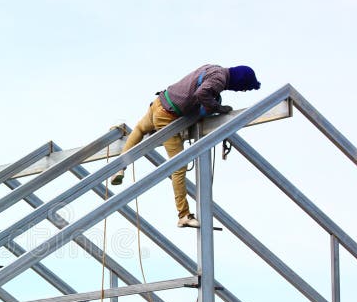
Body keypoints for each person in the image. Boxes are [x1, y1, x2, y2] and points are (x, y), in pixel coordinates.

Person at [111, 65, 261, 228]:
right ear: (240, 81)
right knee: (178, 166)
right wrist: (218, 108)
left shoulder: (213, 69)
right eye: (243, 88)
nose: (240, 91)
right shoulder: (220, 79)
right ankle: (183, 215)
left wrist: (207, 105)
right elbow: (201, 93)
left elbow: (193, 92)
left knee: (139, 129)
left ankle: (120, 167)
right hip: (166, 115)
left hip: (159, 103)